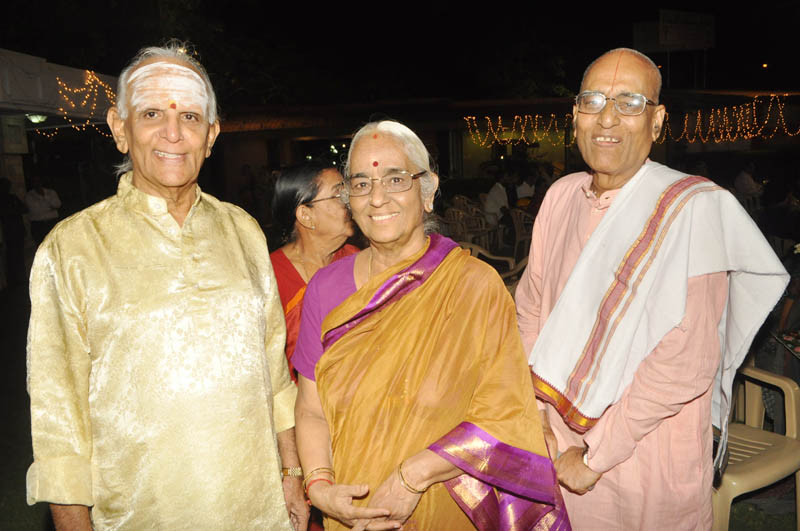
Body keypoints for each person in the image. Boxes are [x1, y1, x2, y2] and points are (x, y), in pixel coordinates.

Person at [26, 42, 308, 530]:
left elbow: (274, 371)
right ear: (120, 128)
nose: (173, 133)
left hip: (258, 510)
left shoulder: (242, 230)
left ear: (211, 135)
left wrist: (292, 473)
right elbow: (58, 422)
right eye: (152, 113)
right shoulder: (72, 248)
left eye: (190, 117)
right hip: (140, 515)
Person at [516, 48, 788, 529]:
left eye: (629, 103)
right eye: (593, 101)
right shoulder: (560, 197)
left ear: (657, 121)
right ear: (575, 116)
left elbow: (686, 362)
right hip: (554, 435)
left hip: (645, 450)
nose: (607, 119)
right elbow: (530, 311)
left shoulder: (692, 209)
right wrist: (534, 413)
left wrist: (596, 455)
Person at [293, 120, 568, 531]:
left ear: (428, 190)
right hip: (350, 513)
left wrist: (414, 476)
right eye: (362, 184)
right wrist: (320, 487)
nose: (378, 198)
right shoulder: (325, 288)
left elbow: (506, 414)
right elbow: (311, 410)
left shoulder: (474, 286)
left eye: (396, 179)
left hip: (444, 504)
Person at [270, 162, 358, 379]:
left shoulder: (357, 260)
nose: (350, 201)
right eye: (338, 195)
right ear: (305, 215)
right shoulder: (270, 277)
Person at [25, 174, 61, 244]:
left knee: (55, 243)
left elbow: (58, 204)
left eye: (38, 181)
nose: (37, 183)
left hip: (52, 222)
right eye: (34, 181)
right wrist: (50, 207)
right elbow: (35, 210)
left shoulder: (51, 192)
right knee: (40, 244)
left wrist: (44, 200)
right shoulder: (29, 195)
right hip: (39, 225)